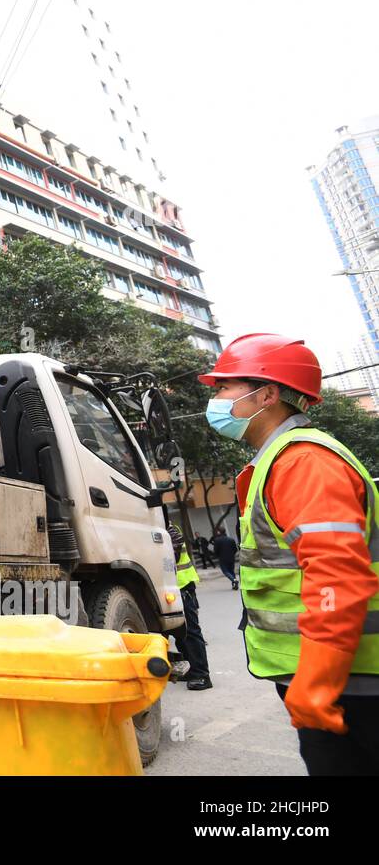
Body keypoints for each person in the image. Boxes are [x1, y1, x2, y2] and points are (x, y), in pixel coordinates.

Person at [200, 332, 379, 775]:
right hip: (338, 677)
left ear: (268, 393)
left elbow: (336, 578)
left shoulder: (302, 463)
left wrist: (317, 683)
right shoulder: (279, 460)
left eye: (224, 387)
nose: (216, 398)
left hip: (350, 683)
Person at [171, 523, 212, 690]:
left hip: (182, 586)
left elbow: (172, 555)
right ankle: (192, 671)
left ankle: (202, 675)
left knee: (190, 631)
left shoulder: (170, 528)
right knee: (180, 632)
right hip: (175, 587)